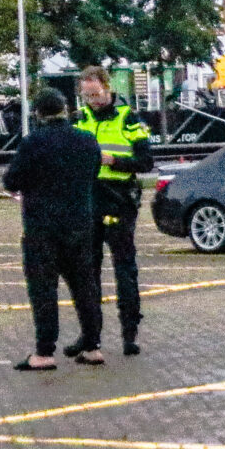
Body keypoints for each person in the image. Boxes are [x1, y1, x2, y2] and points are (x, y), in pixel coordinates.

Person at [3, 89, 106, 370]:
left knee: (44, 289)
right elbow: (94, 171)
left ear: (37, 113)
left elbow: (11, 181)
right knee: (85, 285)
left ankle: (44, 352)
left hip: (42, 227)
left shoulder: (32, 143)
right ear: (66, 109)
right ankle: (92, 346)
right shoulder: (87, 140)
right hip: (81, 224)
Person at [73, 65, 155, 356]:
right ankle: (90, 337)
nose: (92, 101)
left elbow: (146, 162)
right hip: (88, 199)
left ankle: (129, 333)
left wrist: (113, 161)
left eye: (95, 94)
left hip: (119, 198)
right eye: (86, 96)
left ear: (107, 88)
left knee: (124, 268)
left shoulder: (128, 118)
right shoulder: (79, 120)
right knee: (86, 271)